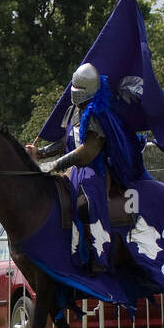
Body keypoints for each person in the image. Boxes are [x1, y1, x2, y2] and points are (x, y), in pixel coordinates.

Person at [25, 62, 116, 268]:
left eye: (82, 89)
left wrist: (54, 164)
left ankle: (99, 252)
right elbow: (65, 142)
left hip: (95, 171)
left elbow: (87, 151)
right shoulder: (72, 111)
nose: (77, 93)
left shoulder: (97, 113)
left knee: (89, 203)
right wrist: (40, 153)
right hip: (73, 171)